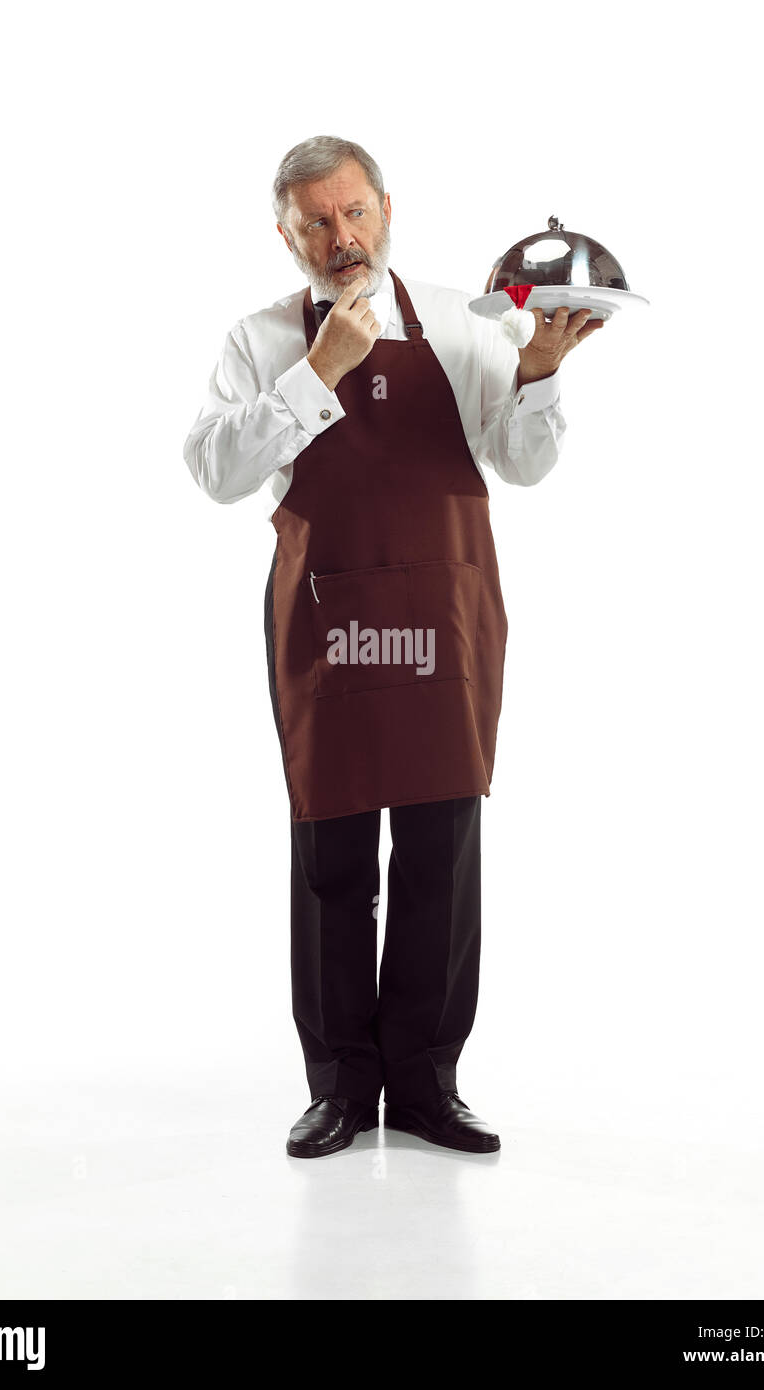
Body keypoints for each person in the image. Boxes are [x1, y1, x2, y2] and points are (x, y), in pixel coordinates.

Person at [183, 136, 603, 1158]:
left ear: (385, 207)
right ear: (283, 233)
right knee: (331, 859)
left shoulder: (466, 323)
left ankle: (424, 1082)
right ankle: (337, 1087)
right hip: (329, 622)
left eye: (354, 212)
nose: (341, 238)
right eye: (316, 222)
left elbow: (520, 462)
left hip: (441, 618)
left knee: (436, 858)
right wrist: (315, 373)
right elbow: (215, 470)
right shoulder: (254, 341)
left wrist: (538, 374)